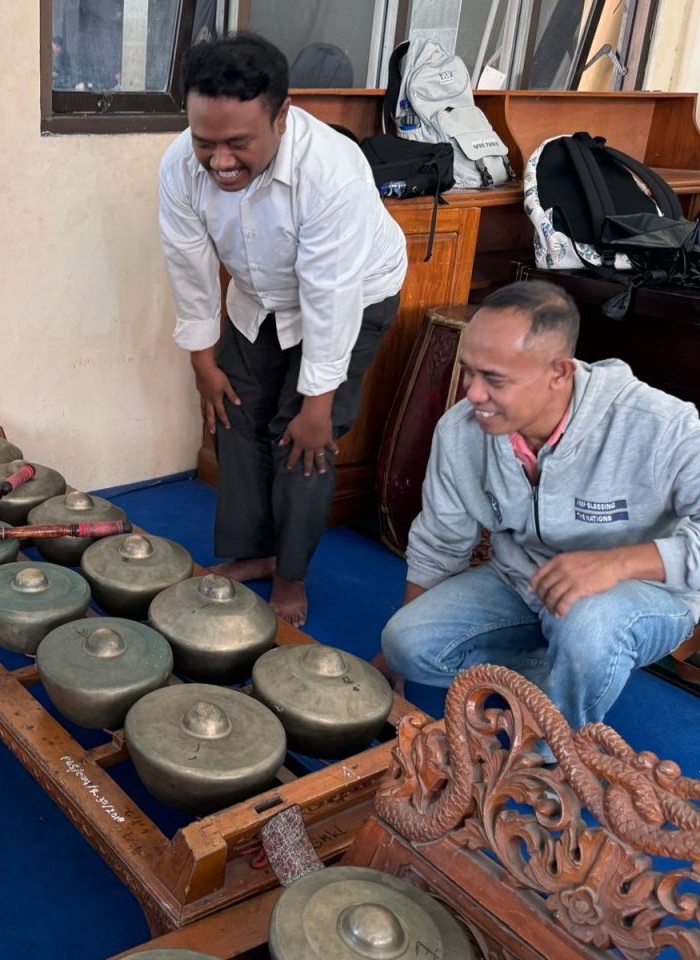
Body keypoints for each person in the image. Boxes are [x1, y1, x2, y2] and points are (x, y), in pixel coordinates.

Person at [159, 32, 408, 626]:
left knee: (302, 439)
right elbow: (187, 262)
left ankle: (291, 574)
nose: (220, 162)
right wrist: (203, 362)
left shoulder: (333, 173)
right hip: (258, 298)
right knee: (235, 415)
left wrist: (319, 401)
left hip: (353, 297)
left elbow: (331, 296)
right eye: (205, 143)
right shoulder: (179, 166)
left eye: (239, 144)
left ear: (283, 116)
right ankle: (255, 555)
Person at [381, 281, 700, 729]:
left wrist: (615, 564)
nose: (471, 393)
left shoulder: (661, 425)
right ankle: (560, 672)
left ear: (560, 373)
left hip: (642, 594)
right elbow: (440, 542)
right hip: (521, 583)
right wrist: (399, 655)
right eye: (469, 371)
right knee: (406, 643)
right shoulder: (460, 431)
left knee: (589, 626)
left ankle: (554, 748)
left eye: (495, 378)